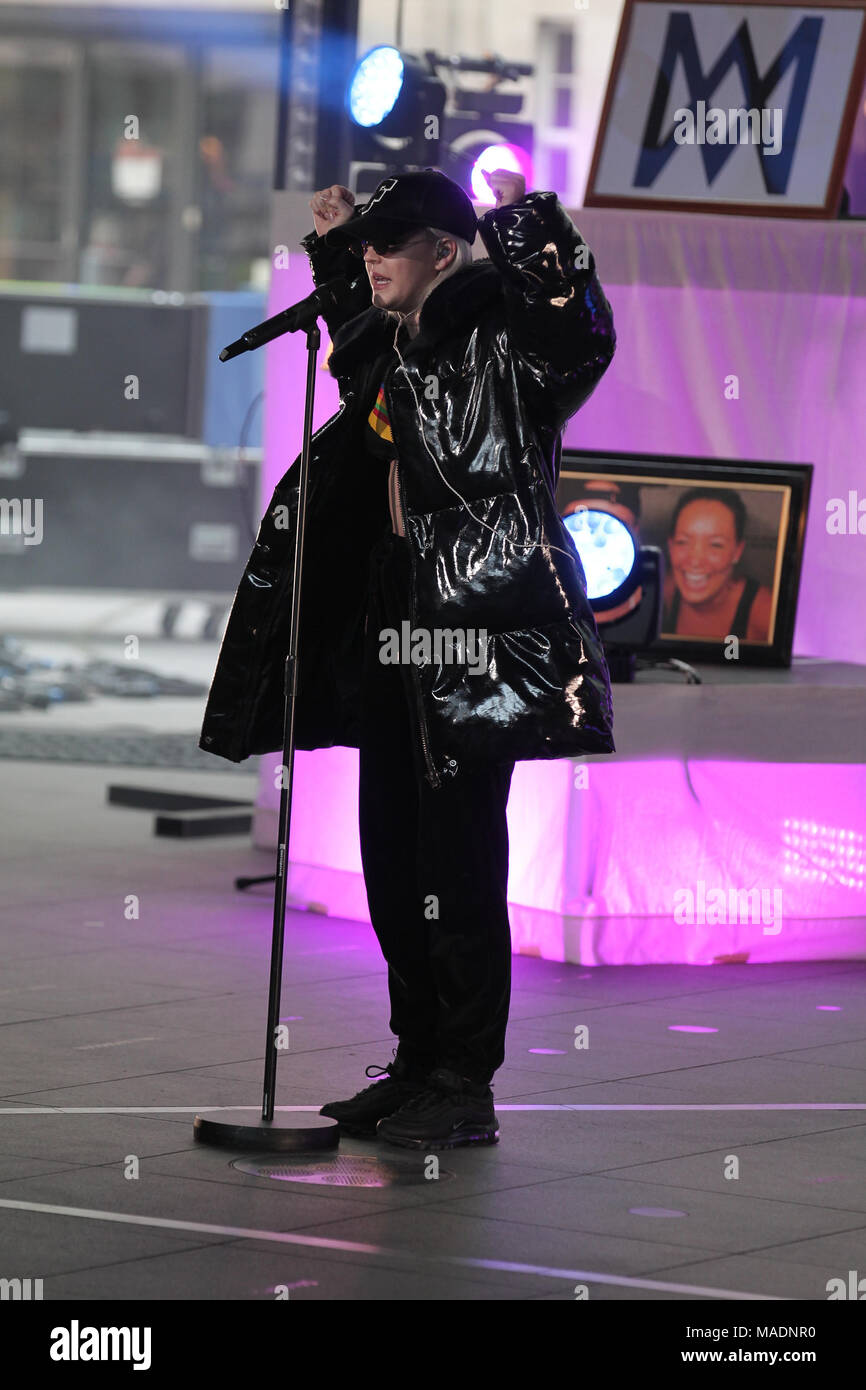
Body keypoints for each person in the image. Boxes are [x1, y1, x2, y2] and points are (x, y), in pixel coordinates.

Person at [199, 166, 617, 1148]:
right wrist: (339, 248)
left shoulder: (503, 336)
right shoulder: (402, 341)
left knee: (456, 852)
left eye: (392, 241)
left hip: (469, 623)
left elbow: (579, 331)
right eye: (370, 243)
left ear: (443, 247)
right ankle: (416, 1057)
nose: (376, 255)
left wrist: (526, 219)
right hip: (394, 616)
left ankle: (463, 1081)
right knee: (391, 843)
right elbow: (353, 358)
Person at [662, 488, 772, 642]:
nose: (695, 561)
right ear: (670, 546)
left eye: (715, 545)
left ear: (737, 552)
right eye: (682, 542)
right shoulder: (663, 591)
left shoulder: (764, 610)